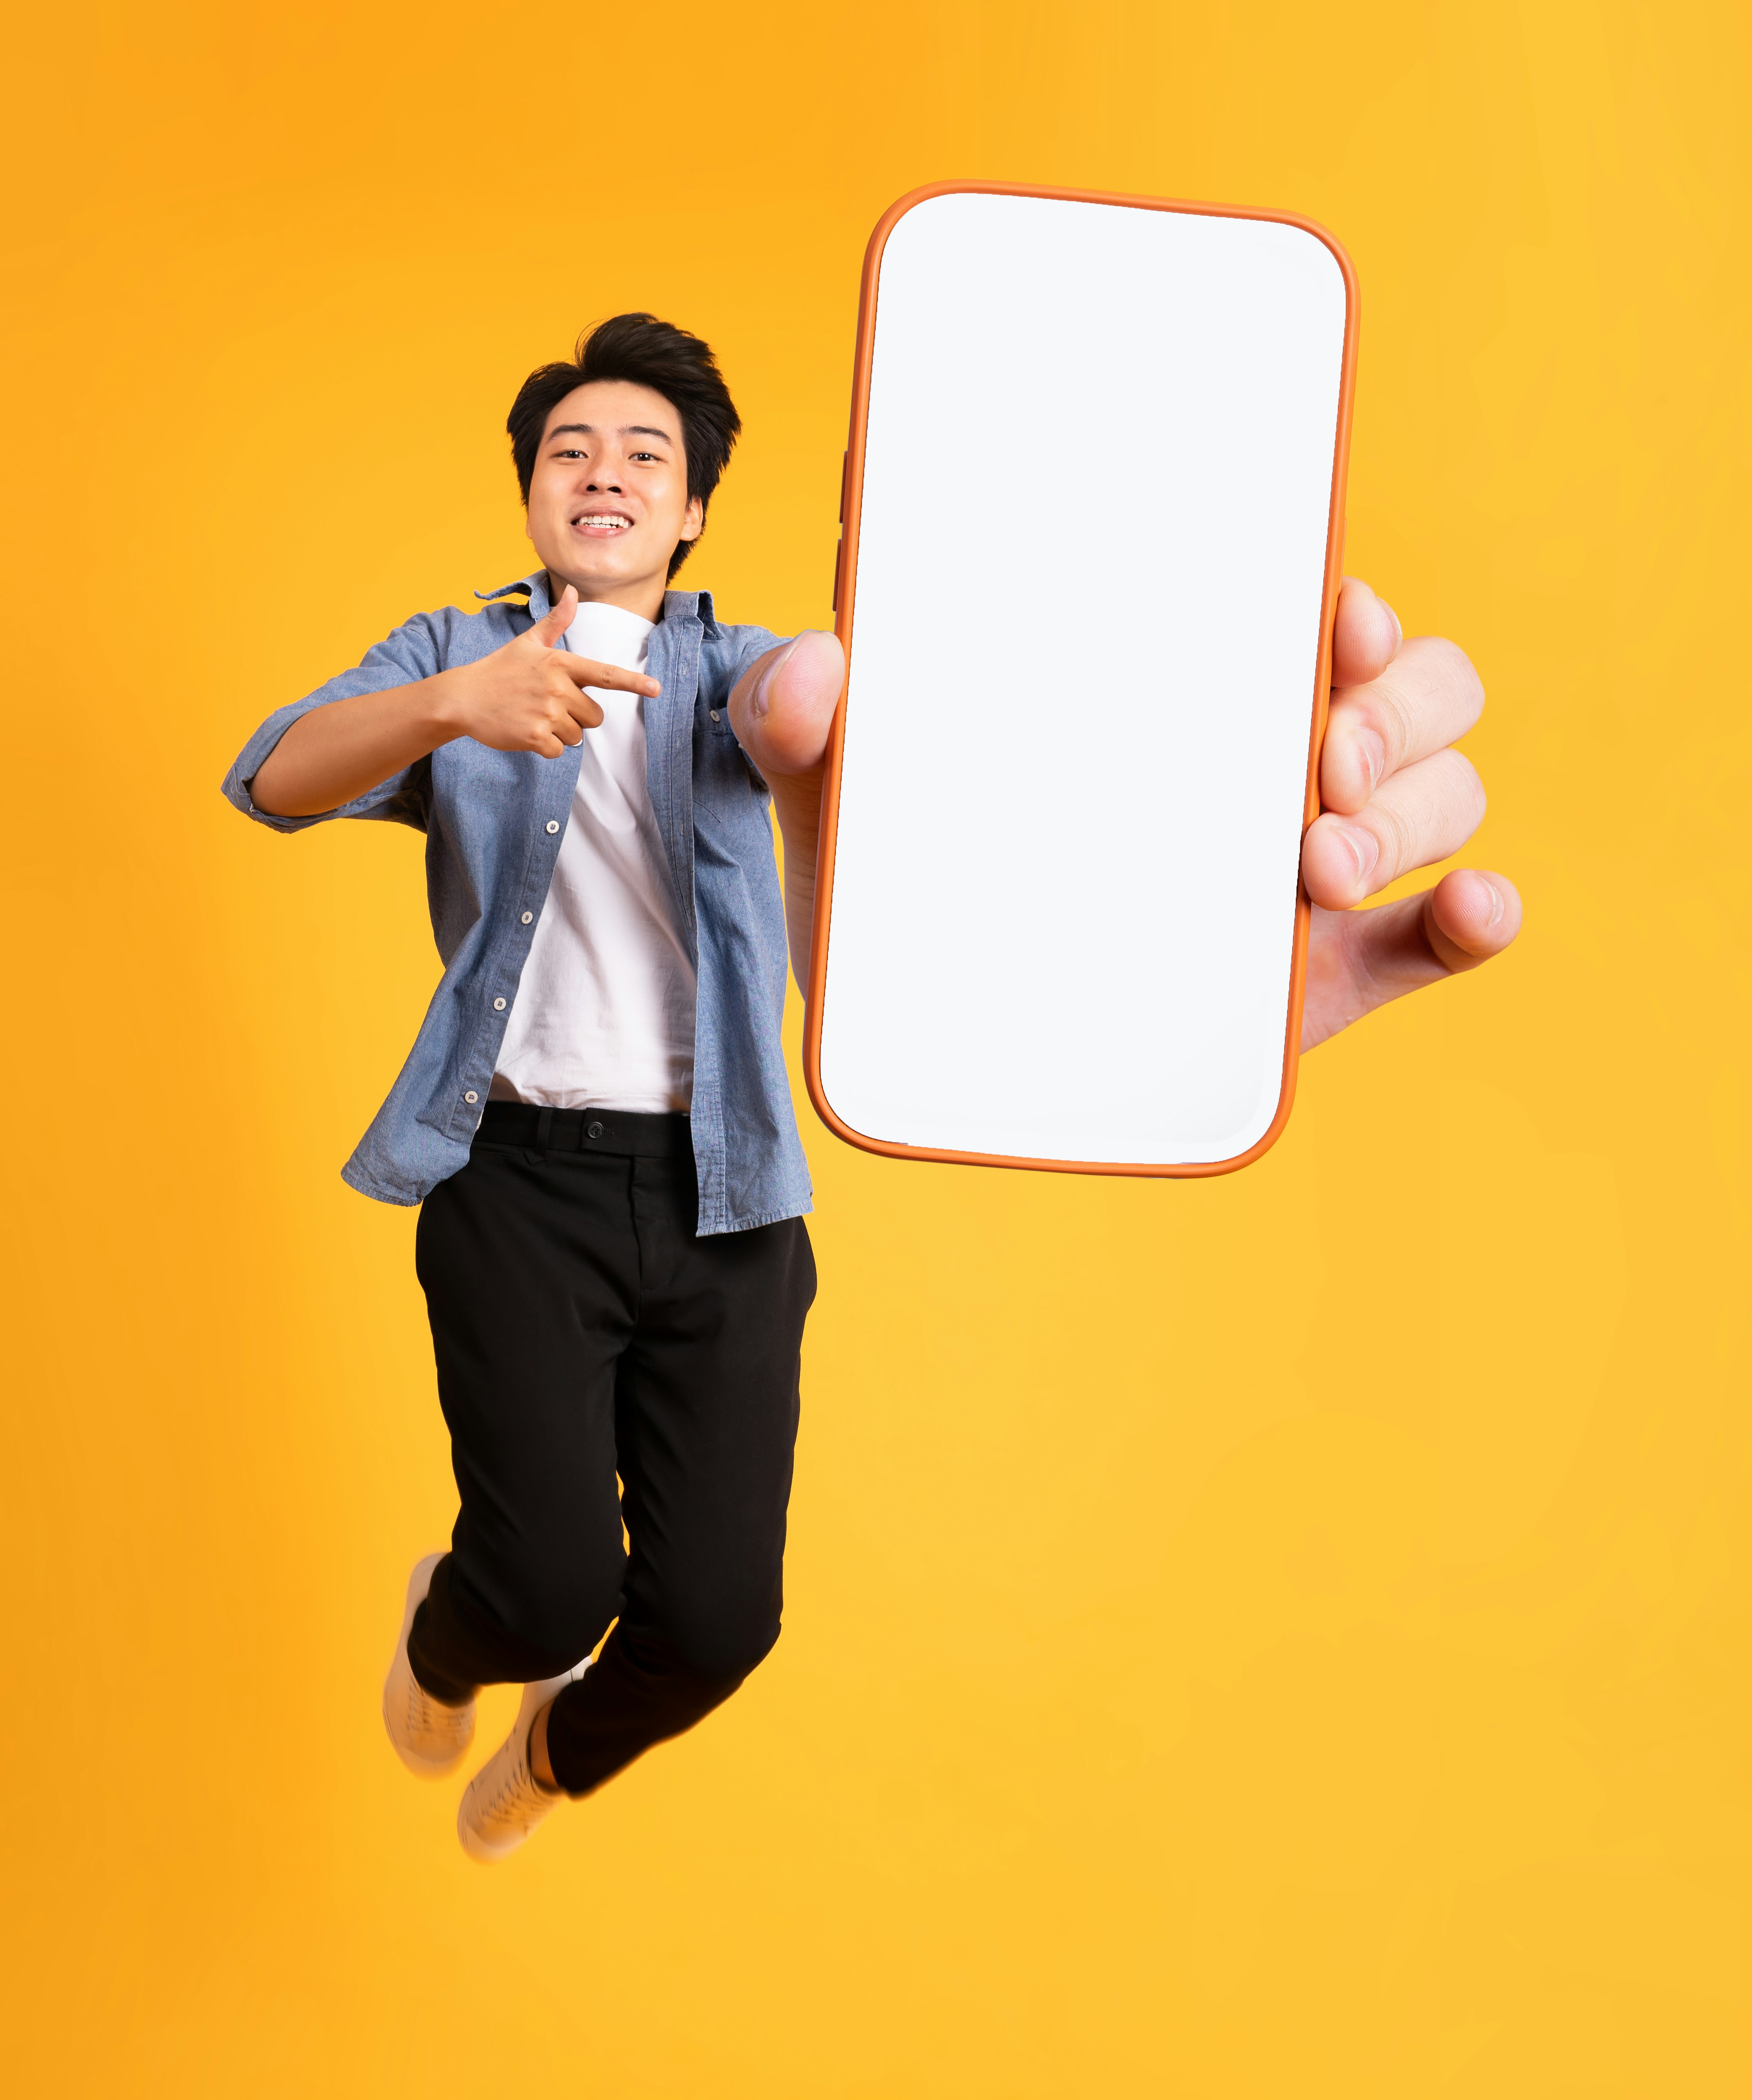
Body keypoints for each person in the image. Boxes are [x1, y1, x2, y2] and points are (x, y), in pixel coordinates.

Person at [219, 314, 1520, 1861]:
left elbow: (899, 735)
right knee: (548, 1583)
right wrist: (459, 707)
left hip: (726, 1190)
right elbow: (272, 773)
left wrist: (1186, 798)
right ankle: (454, 1637)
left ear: (695, 508)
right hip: (517, 1179)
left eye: (648, 454)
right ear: (530, 496)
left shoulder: (751, 671)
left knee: (714, 1619)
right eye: (572, 450)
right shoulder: (452, 655)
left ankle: (559, 1754)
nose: (608, 474)